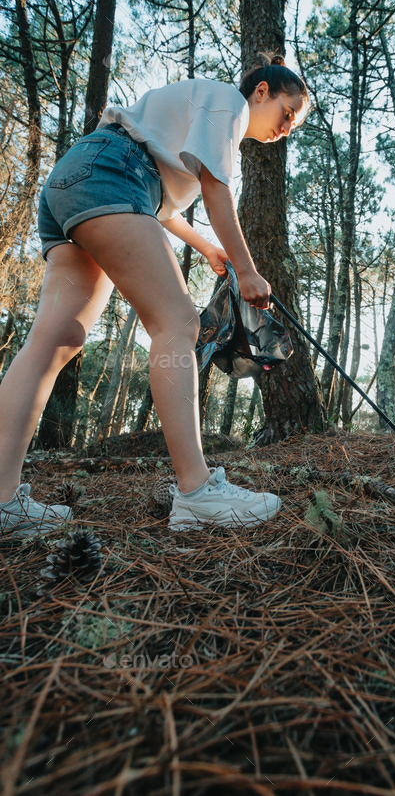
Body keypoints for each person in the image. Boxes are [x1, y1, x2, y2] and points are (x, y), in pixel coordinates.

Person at [0, 53, 308, 535]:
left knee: (56, 339)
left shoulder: (198, 117)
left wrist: (207, 247)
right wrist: (247, 270)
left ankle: (2, 503)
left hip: (76, 180)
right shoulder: (230, 103)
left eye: (296, 124)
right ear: (262, 91)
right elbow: (215, 189)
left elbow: (159, 208)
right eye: (288, 112)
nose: (287, 127)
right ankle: (196, 491)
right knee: (179, 324)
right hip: (111, 175)